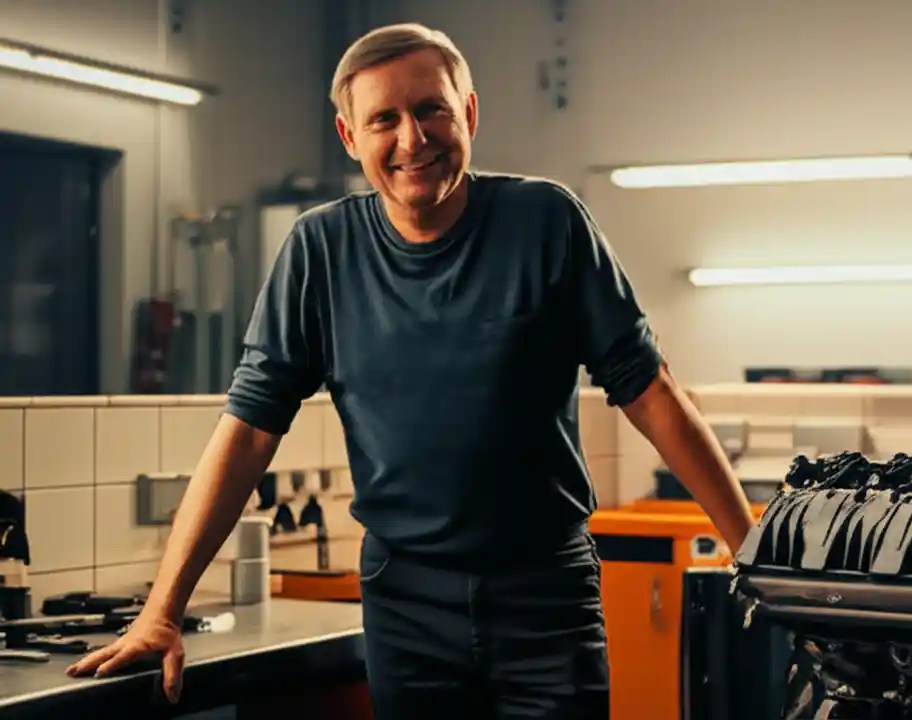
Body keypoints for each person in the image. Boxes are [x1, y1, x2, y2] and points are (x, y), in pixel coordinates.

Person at [66, 22, 754, 719]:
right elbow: (246, 432)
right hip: (406, 605)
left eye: (431, 110)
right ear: (349, 136)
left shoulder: (546, 222)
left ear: (470, 114)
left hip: (545, 596)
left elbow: (650, 393)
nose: (413, 139)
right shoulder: (320, 251)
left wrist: (753, 556)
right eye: (384, 120)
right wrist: (162, 610)